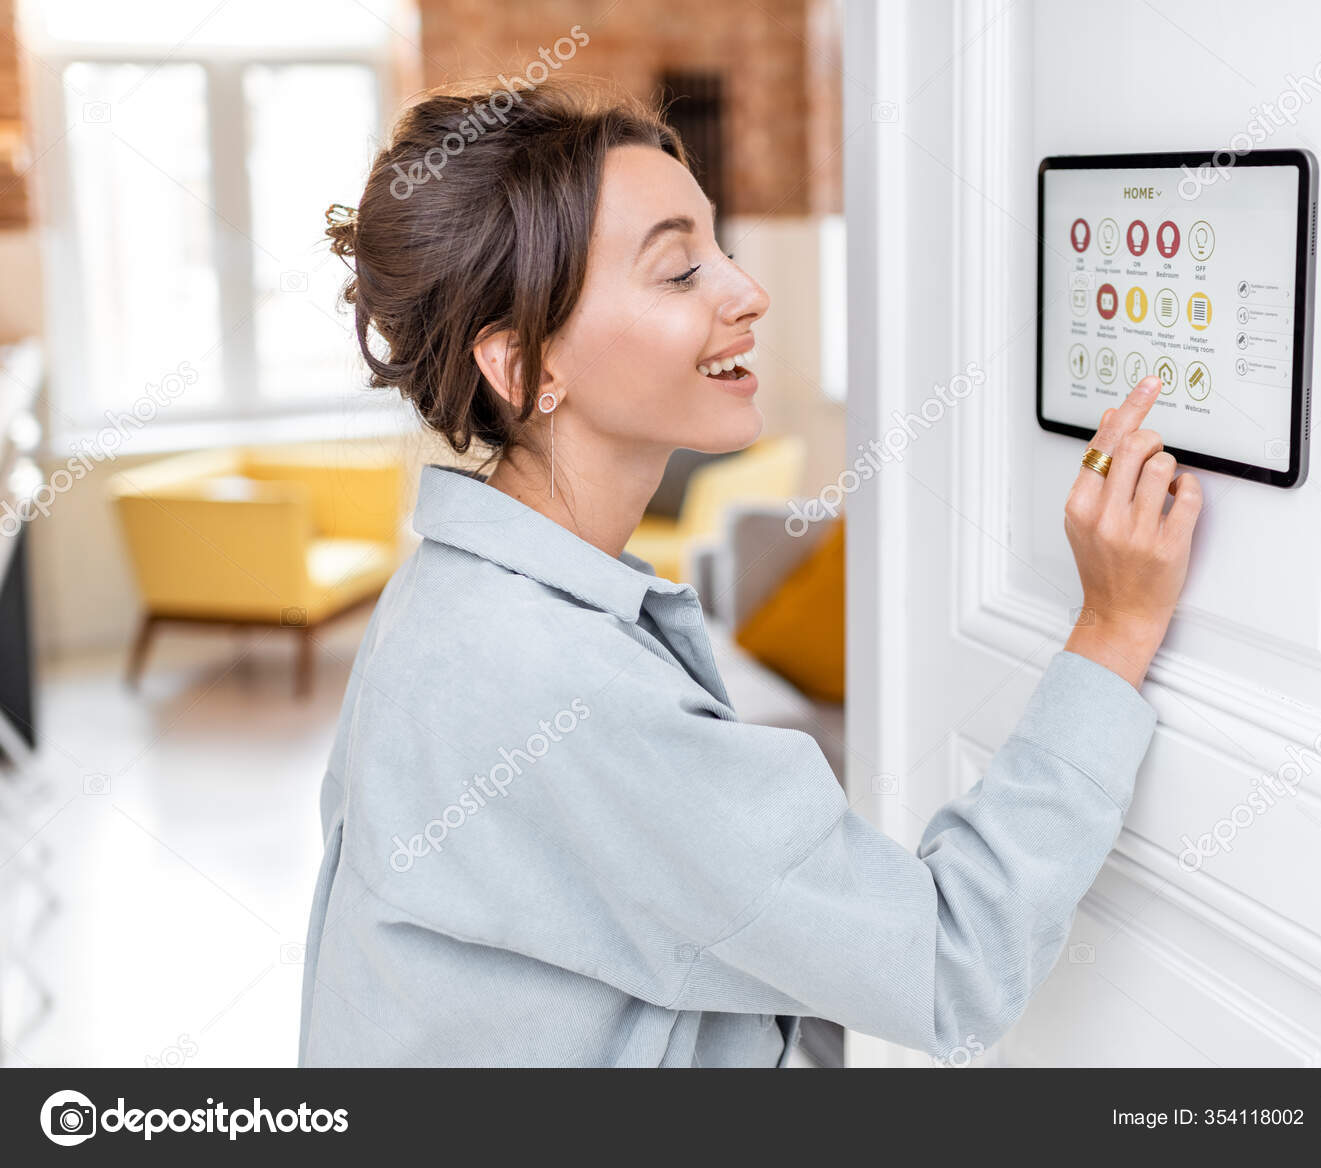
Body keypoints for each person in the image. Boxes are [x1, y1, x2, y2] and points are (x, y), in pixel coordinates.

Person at [299, 75, 1202, 1067]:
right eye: (680, 271)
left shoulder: (451, 601)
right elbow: (951, 968)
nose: (748, 291)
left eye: (718, 246)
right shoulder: (548, 676)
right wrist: (1111, 633)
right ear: (522, 367)